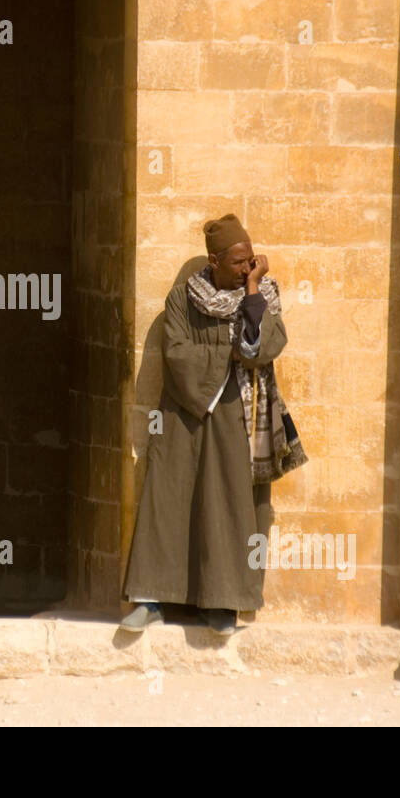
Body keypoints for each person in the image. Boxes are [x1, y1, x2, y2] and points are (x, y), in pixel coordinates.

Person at [120, 213, 306, 635]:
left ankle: (222, 605)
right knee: (167, 497)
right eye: (239, 263)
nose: (246, 268)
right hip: (184, 412)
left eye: (250, 260)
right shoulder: (183, 298)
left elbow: (261, 348)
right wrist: (228, 352)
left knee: (227, 504)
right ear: (214, 261)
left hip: (240, 413)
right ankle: (151, 599)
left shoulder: (263, 295)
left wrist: (254, 291)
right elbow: (178, 355)